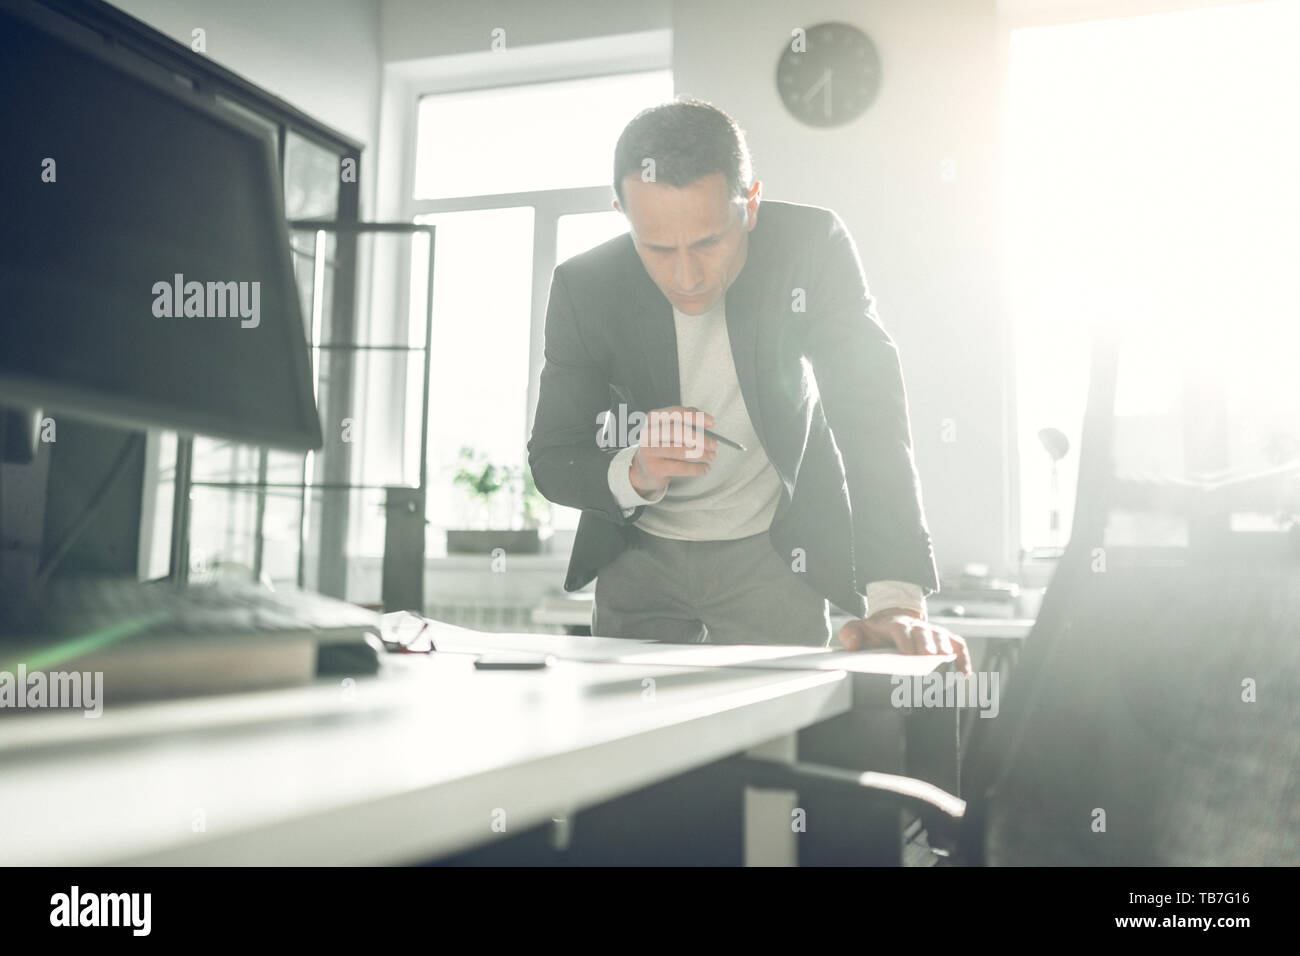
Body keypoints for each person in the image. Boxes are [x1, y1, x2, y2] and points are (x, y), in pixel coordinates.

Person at [528, 97, 969, 671]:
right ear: (622, 212)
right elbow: (553, 458)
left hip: (776, 549)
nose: (686, 278)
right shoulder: (585, 287)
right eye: (658, 249)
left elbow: (870, 417)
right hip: (636, 554)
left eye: (709, 242)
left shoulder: (810, 246)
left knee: (778, 734)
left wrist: (895, 599)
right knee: (641, 739)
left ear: (751, 204)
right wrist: (633, 471)